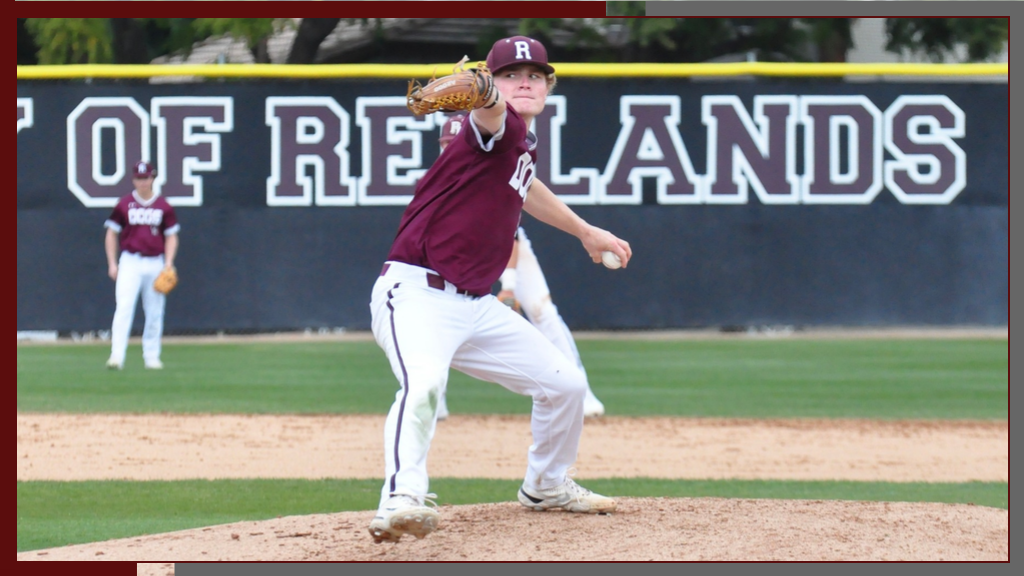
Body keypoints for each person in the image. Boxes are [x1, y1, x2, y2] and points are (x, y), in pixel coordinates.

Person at [367, 36, 631, 544]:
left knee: (566, 386)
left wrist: (585, 231)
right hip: (416, 295)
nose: (525, 81)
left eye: (535, 74)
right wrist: (487, 94)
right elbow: (489, 110)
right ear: (492, 83)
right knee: (422, 386)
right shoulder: (492, 126)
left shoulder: (519, 145)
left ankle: (546, 486)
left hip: (476, 305)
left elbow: (528, 188)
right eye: (511, 74)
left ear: (550, 86)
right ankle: (401, 499)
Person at [433, 113, 605, 421]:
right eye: (445, 144)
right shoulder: (435, 184)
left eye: (454, 144)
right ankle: (434, 400)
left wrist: (509, 287)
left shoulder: (489, 174)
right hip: (454, 253)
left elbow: (509, 238)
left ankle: (583, 391)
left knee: (543, 312)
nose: (449, 150)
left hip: (504, 246)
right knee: (434, 318)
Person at [104, 160, 179, 370]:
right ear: (133, 179)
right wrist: (112, 263)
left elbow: (171, 236)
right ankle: (117, 356)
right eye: (139, 178)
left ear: (152, 178)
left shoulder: (163, 206)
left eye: (146, 178)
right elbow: (111, 233)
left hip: (155, 262)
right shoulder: (124, 204)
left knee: (155, 312)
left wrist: (169, 263)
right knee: (124, 309)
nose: (143, 182)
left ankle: (152, 356)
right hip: (130, 261)